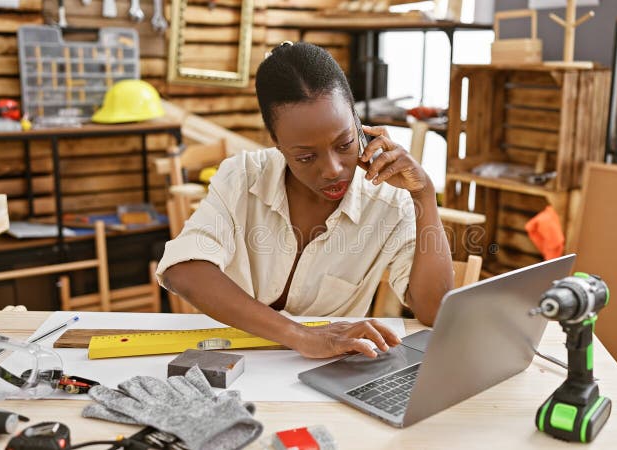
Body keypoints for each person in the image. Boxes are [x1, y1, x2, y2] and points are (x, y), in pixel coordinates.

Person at [157, 42, 453, 359]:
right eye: (306, 157)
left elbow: (435, 311)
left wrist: (423, 194)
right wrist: (300, 336)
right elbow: (184, 271)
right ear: (277, 143)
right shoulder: (242, 176)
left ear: (358, 122)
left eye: (345, 144)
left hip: (327, 372)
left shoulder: (390, 200)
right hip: (228, 361)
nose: (332, 170)